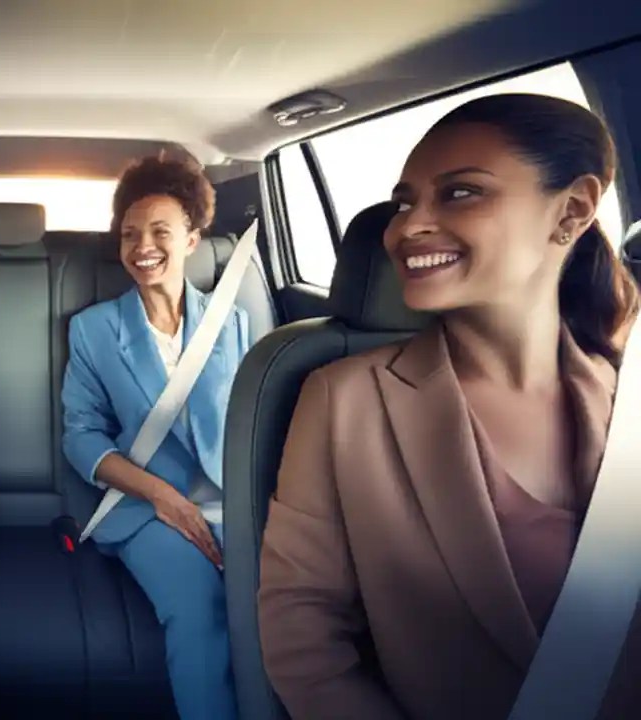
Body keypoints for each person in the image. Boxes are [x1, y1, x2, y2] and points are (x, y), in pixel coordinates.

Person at [259, 93, 641, 719]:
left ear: (571, 210)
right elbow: (302, 632)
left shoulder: (630, 403)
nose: (407, 226)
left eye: (461, 192)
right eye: (403, 201)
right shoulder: (345, 400)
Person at [62, 153, 249, 719]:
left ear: (192, 238)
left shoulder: (233, 322)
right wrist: (164, 498)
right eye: (129, 234)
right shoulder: (94, 328)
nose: (142, 245)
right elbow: (81, 433)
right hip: (144, 507)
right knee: (202, 609)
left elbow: (256, 420)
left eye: (160, 231)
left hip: (234, 503)